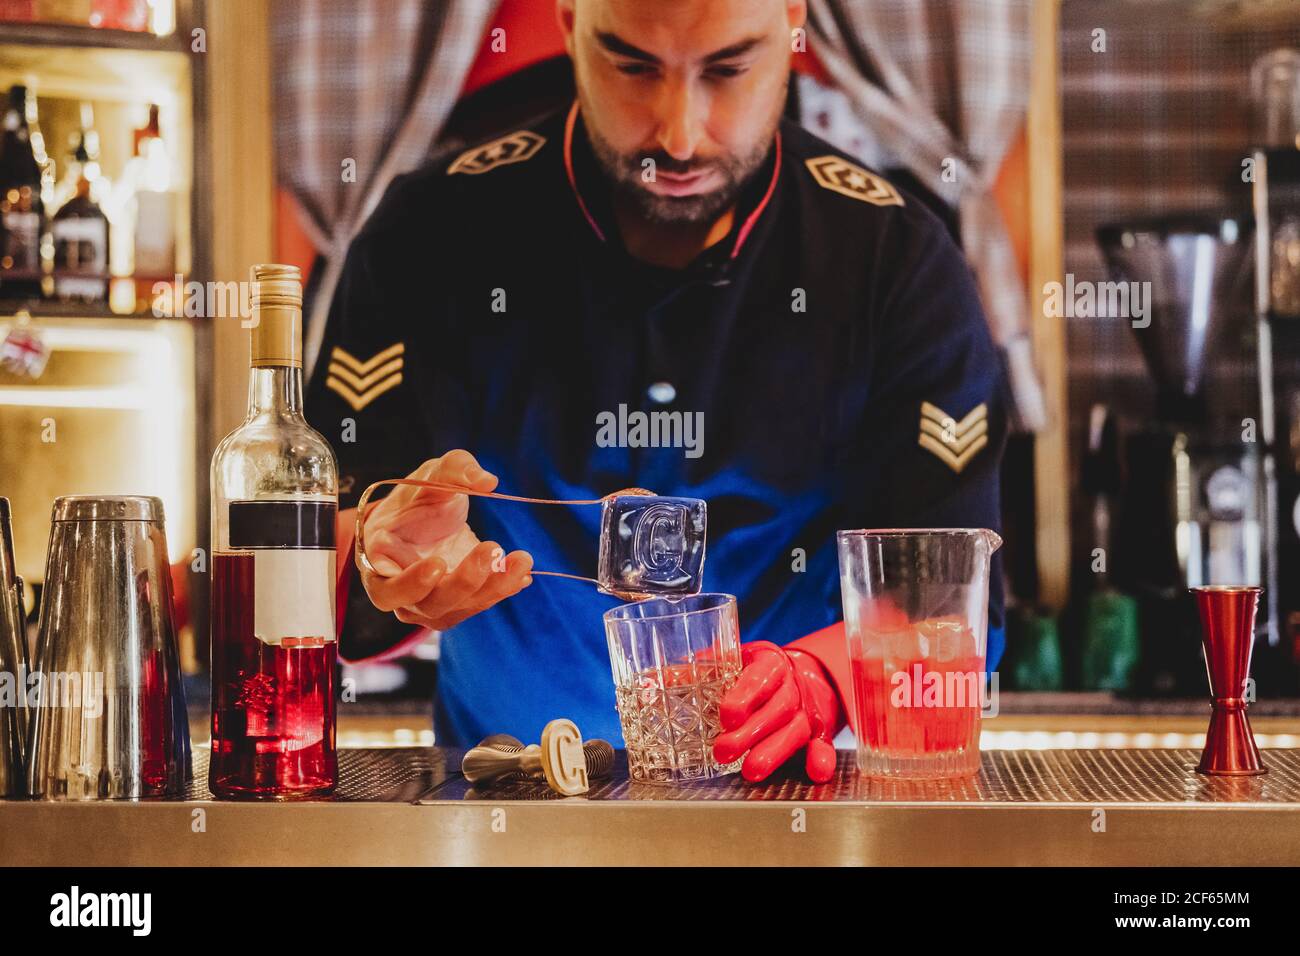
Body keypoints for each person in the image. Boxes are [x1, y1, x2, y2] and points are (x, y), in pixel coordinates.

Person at [306, 0, 1006, 781]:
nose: (678, 135)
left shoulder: (893, 260)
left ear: (792, 24)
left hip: (794, 807)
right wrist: (381, 552)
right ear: (570, 21)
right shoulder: (428, 233)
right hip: (508, 809)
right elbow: (310, 542)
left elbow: (947, 602)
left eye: (729, 69)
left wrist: (817, 680)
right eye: (633, 66)